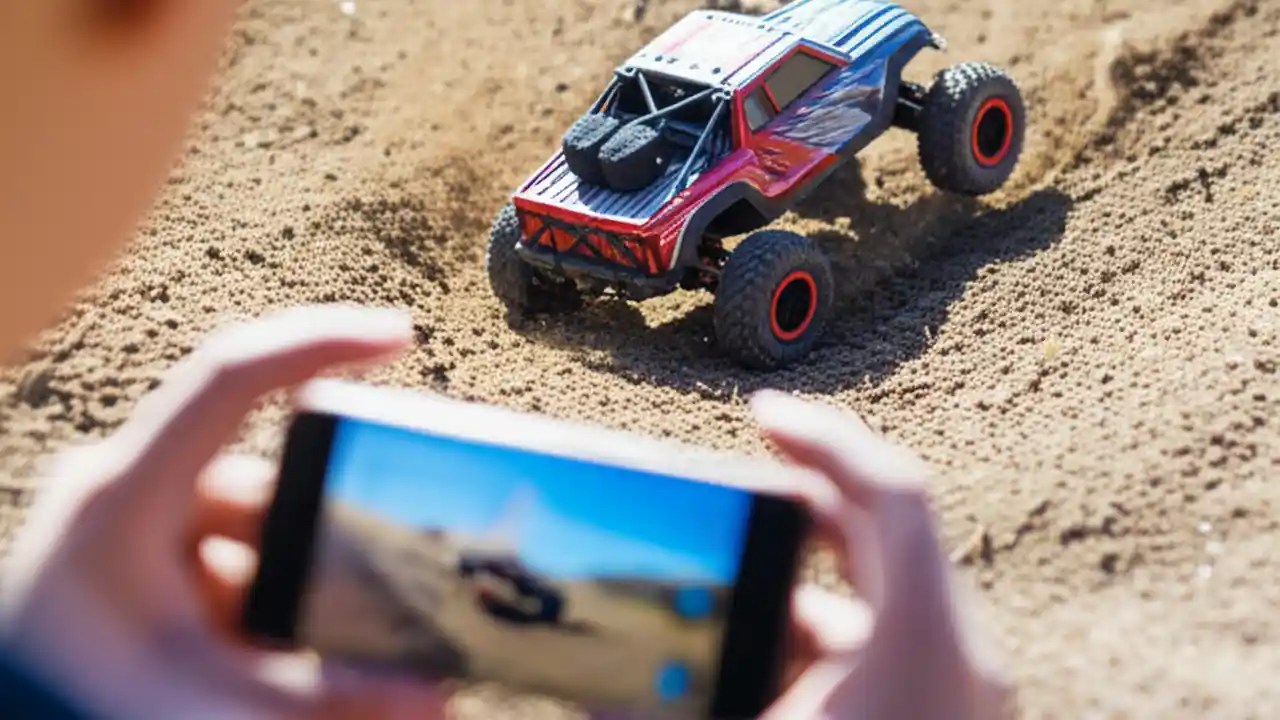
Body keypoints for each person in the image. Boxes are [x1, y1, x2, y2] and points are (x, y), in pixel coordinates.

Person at [0, 1, 1011, 718]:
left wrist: (57, 670)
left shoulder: (603, 143)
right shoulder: (815, 91)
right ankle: (773, 294)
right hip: (725, 165)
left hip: (654, 159)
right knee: (771, 258)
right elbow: (744, 218)